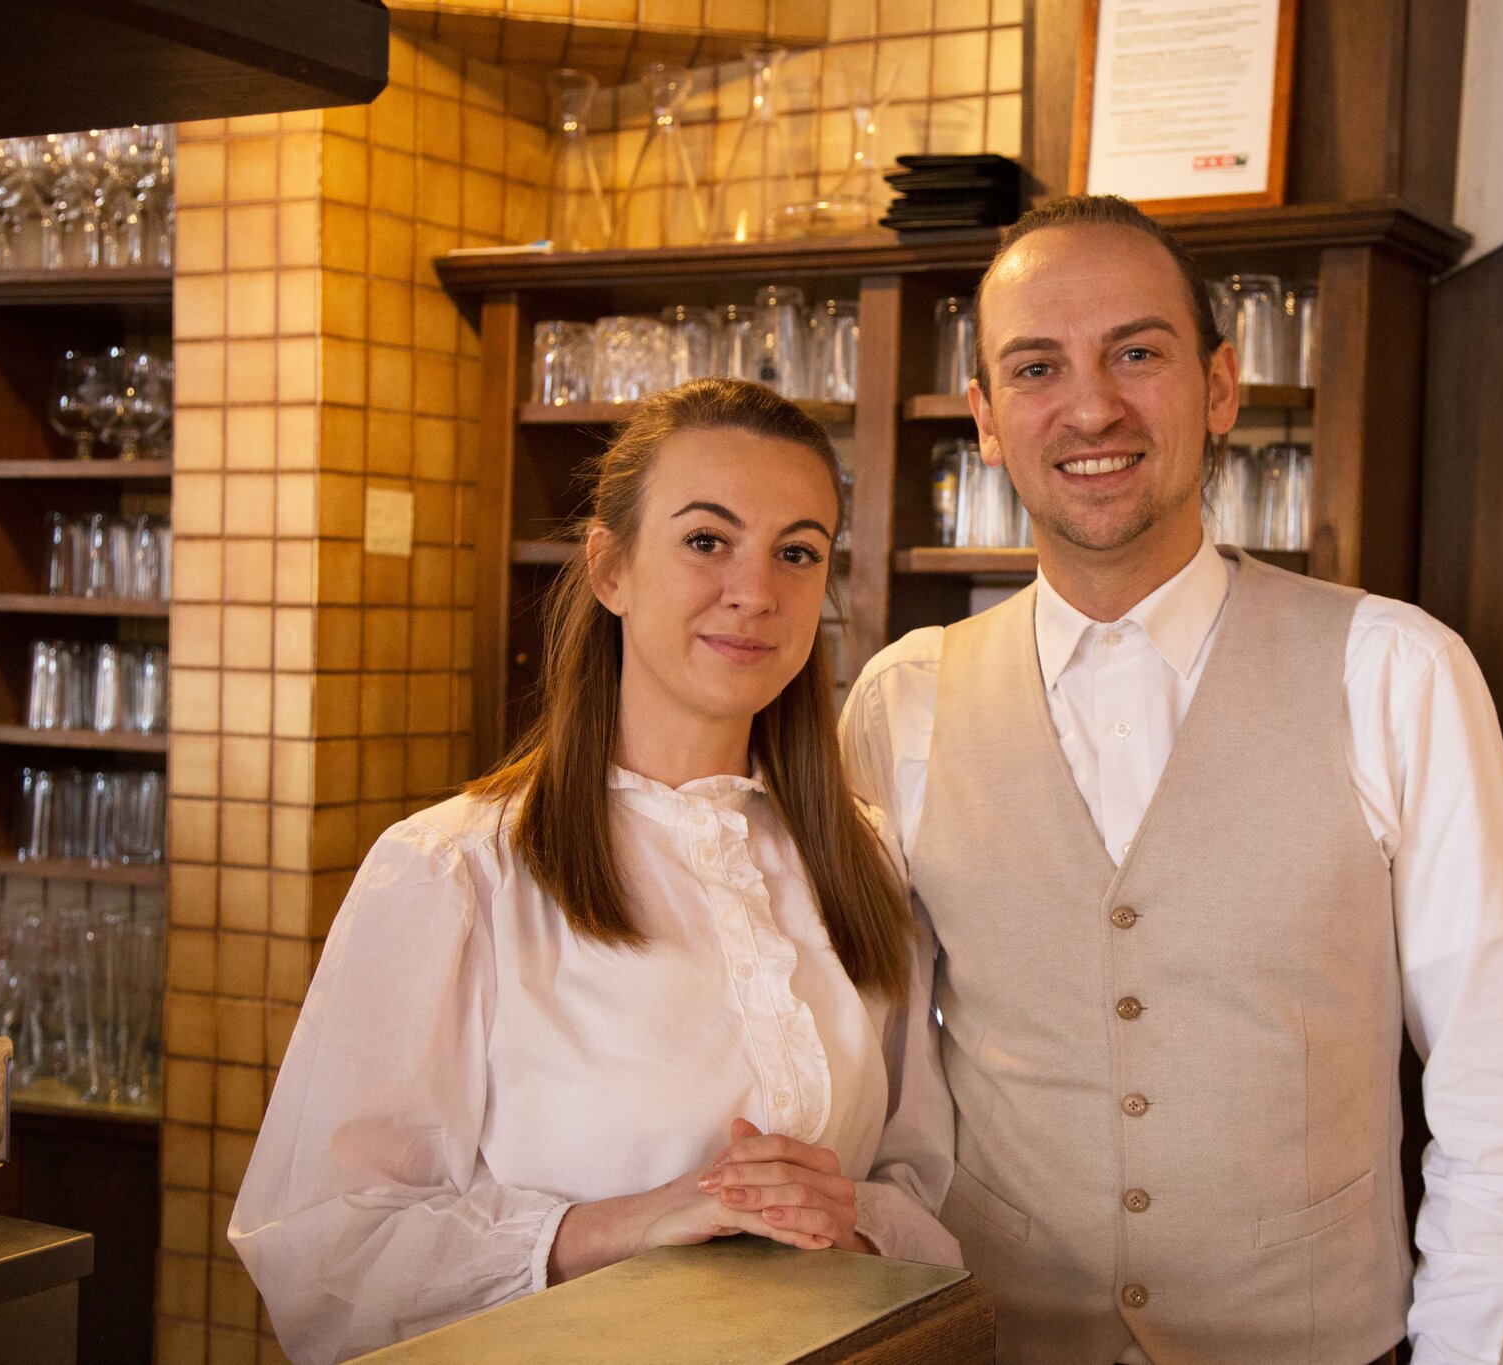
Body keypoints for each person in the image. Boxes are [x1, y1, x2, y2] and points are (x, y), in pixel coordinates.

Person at [841, 195, 1503, 1364]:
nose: (1090, 406)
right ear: (983, 418)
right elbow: (879, 1088)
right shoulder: (900, 702)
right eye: (1036, 367)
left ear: (1219, 387)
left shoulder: (1394, 672)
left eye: (1136, 352)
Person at [233, 380, 960, 1364]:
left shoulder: (860, 855)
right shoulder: (451, 872)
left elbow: (922, 1178)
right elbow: (321, 1248)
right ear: (610, 567)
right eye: (706, 541)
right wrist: (616, 1228)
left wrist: (850, 1222)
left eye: (796, 552)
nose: (755, 591)